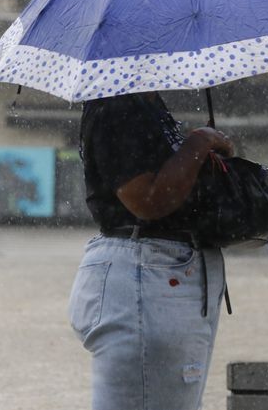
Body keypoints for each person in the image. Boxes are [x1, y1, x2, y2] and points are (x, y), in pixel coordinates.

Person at [69, 92, 235, 410]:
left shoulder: (145, 104)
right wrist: (198, 143)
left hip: (161, 277)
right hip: (148, 279)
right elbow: (147, 200)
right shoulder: (117, 103)